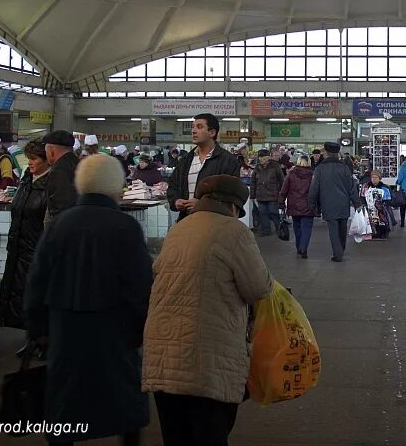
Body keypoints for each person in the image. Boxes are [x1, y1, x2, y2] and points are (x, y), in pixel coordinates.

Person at [24, 155, 153, 445]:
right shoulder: (125, 227)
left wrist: (37, 328)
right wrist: (140, 327)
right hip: (115, 329)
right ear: (115, 184)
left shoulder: (60, 224)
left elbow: (37, 280)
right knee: (123, 398)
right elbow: (140, 284)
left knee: (65, 399)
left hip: (65, 327)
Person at [143, 175, 273, 446]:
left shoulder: (179, 229)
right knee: (210, 434)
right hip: (208, 353)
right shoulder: (234, 231)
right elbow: (257, 288)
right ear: (233, 208)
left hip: (164, 352)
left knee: (176, 435)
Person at [0, 140, 50, 345]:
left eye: (34, 159)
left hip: (35, 249)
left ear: (47, 161)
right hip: (19, 247)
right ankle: (32, 338)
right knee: (19, 295)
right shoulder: (26, 181)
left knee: (34, 298)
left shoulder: (51, 185)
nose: (30, 163)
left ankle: (40, 339)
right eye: (29, 158)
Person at [167, 114, 241, 222]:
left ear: (212, 132)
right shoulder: (185, 161)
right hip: (186, 220)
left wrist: (203, 205)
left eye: (199, 127)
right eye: (193, 127)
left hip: (216, 223)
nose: (193, 131)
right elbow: (173, 186)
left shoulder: (228, 161)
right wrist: (176, 201)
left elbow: (231, 196)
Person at [309, 142, 363, 262]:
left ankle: (337, 253)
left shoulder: (320, 168)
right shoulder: (344, 167)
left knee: (333, 229)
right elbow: (351, 187)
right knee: (342, 228)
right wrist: (357, 203)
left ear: (327, 153)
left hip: (328, 203)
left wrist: (312, 204)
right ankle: (341, 250)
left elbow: (314, 188)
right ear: (337, 153)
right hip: (343, 203)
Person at [280, 155, 315, 258]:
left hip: (294, 204)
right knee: (307, 228)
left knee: (297, 227)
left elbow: (284, 189)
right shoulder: (313, 175)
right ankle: (304, 248)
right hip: (308, 205)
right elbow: (317, 191)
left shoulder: (291, 174)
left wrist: (281, 202)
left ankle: (299, 247)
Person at [43, 130, 79, 227]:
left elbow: (60, 207)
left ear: (51, 151)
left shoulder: (59, 170)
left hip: (64, 227)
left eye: (46, 151)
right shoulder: (78, 163)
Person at [250, 149, 286, 237]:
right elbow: (253, 182)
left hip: (273, 194)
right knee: (262, 213)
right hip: (260, 195)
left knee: (273, 212)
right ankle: (266, 230)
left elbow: (282, 180)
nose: (262, 160)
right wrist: (252, 195)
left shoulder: (275, 166)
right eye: (260, 158)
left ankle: (279, 228)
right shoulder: (257, 167)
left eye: (264, 158)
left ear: (268, 157)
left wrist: (282, 194)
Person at [361, 170, 392, 238]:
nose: (374, 179)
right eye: (372, 177)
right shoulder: (366, 187)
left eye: (376, 177)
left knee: (382, 215)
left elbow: (388, 199)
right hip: (369, 207)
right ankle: (371, 232)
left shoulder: (384, 188)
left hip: (380, 207)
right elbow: (362, 197)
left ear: (379, 178)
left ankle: (382, 232)